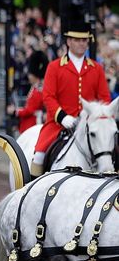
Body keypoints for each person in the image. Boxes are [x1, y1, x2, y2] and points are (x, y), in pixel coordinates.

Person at [31, 25, 111, 176]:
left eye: (84, 40)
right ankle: (30, 192)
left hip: (90, 126)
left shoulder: (96, 68)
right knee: (39, 156)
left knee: (111, 151)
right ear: (68, 41)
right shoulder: (54, 67)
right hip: (58, 125)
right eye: (77, 40)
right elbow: (48, 96)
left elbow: (105, 99)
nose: (81, 43)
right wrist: (62, 117)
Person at [8, 51, 48, 133]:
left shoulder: (39, 91)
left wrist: (15, 111)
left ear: (35, 75)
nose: (29, 76)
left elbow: (30, 110)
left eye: (30, 74)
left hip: (32, 123)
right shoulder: (35, 88)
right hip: (28, 122)